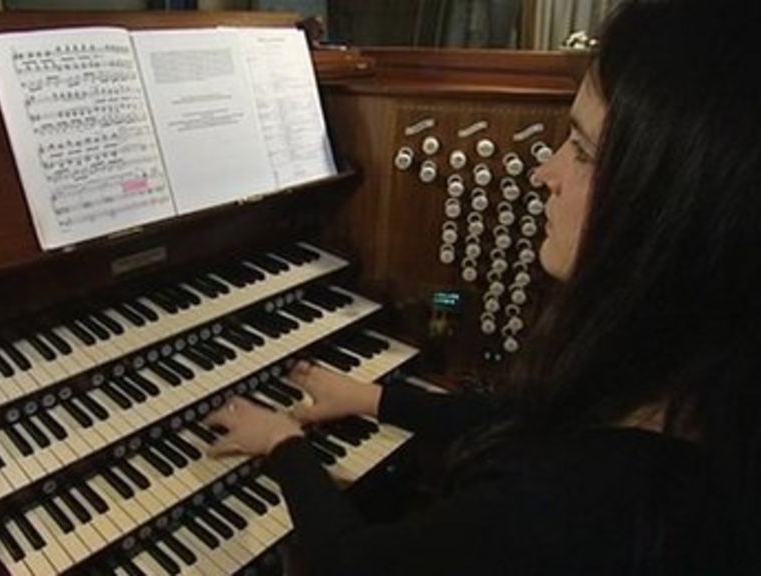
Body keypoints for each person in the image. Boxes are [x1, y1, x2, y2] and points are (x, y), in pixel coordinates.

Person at [203, 1, 761, 574]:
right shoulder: (688, 383)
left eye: (582, 149)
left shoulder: (565, 505)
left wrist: (283, 443)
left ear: (669, 207)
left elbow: (354, 564)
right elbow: (527, 414)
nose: (544, 173)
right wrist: (374, 398)